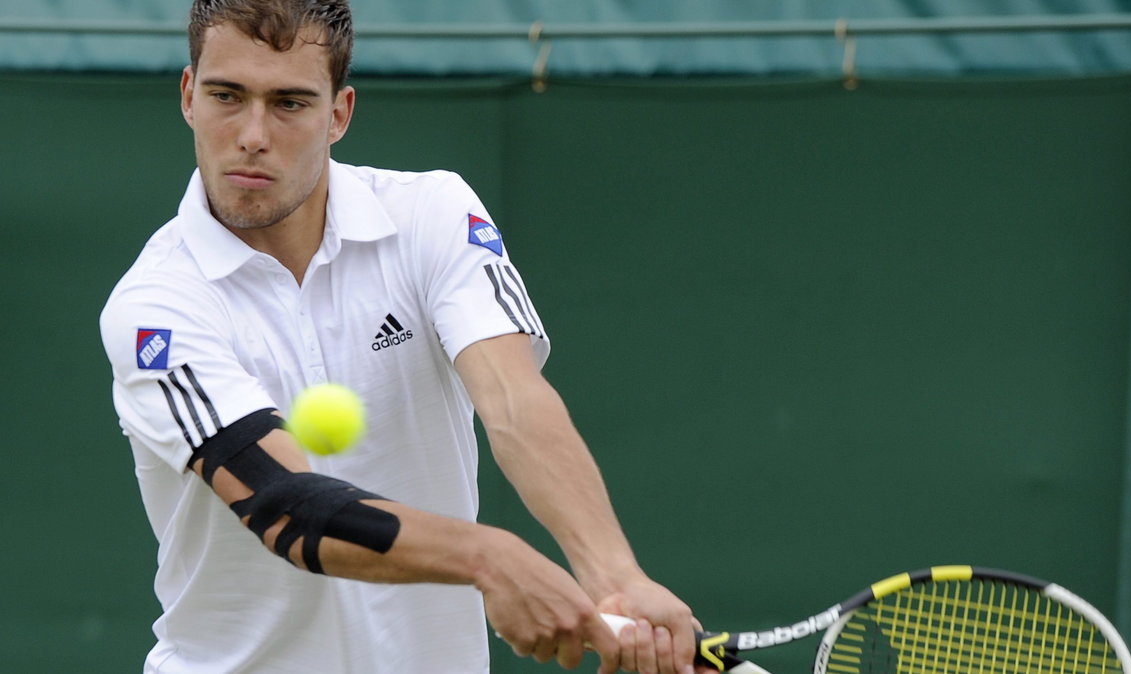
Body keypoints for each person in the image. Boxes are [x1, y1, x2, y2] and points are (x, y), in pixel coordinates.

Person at [98, 1, 711, 672]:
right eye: (227, 96)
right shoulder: (155, 308)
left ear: (339, 114)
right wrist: (489, 559)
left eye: (289, 103)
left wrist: (615, 577)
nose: (252, 134)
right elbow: (284, 505)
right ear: (189, 95)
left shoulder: (432, 215)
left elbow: (512, 399)